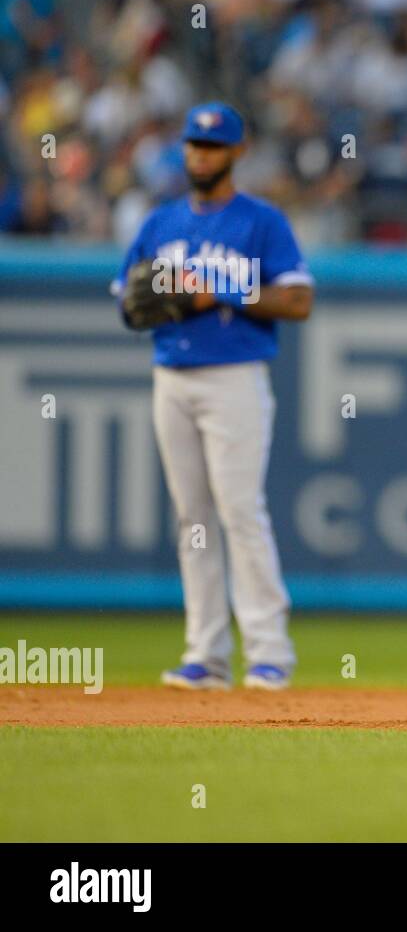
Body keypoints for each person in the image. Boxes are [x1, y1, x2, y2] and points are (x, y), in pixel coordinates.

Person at [111, 102, 315, 691]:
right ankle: (206, 654)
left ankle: (269, 652)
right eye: (194, 146)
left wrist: (220, 292)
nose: (201, 155)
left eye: (213, 146)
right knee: (191, 518)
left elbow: (298, 301)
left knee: (239, 510)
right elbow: (130, 304)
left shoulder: (261, 222)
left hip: (235, 375)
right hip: (170, 376)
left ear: (236, 151)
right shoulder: (159, 223)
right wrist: (169, 296)